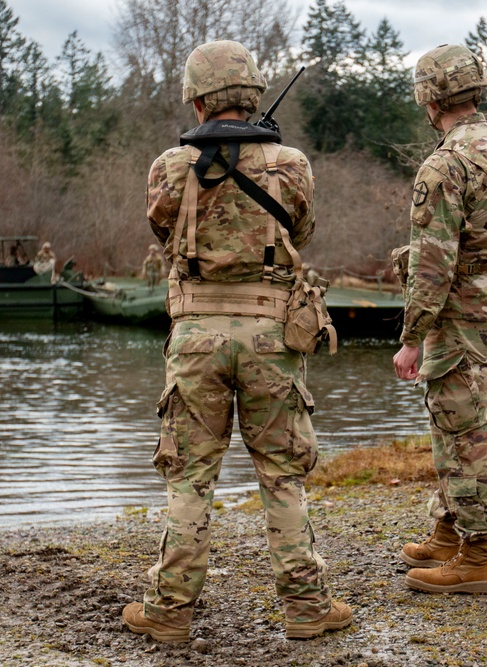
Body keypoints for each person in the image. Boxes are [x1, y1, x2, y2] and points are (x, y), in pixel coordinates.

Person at [121, 40, 352, 643]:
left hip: (195, 336)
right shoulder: (293, 163)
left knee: (190, 476)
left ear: (195, 99)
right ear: (251, 94)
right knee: (282, 475)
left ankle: (169, 612)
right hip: (272, 336)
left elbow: (161, 228)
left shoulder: (169, 166)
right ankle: (306, 608)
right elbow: (302, 228)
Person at [392, 44, 487, 594]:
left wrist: (411, 338)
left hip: (459, 312)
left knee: (464, 431)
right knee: (460, 422)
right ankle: (447, 528)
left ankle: (477, 558)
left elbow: (432, 262)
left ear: (430, 99)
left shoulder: (445, 164)